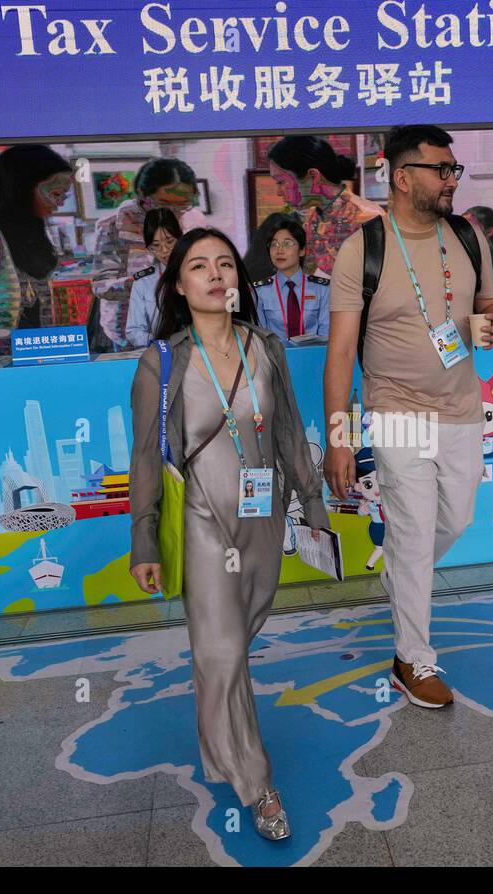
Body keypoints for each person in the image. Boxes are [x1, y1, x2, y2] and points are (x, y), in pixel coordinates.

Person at [127, 227, 330, 841]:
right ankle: (255, 781)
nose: (216, 275)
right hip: (203, 525)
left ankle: (220, 738)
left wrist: (313, 504)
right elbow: (143, 457)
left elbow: (290, 431)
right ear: (179, 285)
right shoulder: (161, 363)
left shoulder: (264, 348)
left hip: (263, 519)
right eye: (199, 266)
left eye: (224, 264)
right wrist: (143, 539)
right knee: (221, 651)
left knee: (237, 639)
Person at [324, 124, 493, 709]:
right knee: (411, 528)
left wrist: (492, 319)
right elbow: (341, 353)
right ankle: (413, 661)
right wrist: (340, 439)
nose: (452, 179)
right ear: (402, 178)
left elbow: (490, 304)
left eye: (455, 169)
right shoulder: (363, 249)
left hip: (461, 409)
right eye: (441, 170)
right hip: (396, 411)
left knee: (453, 520)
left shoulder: (467, 234)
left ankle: (401, 573)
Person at [0, 144, 73, 355]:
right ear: (22, 187)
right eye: (55, 194)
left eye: (63, 196)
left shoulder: (28, 226)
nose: (58, 205)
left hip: (28, 351)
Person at [91, 158, 200, 351]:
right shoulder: (113, 226)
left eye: (183, 205)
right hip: (131, 333)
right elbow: (100, 285)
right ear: (142, 195)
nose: (174, 213)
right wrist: (140, 284)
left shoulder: (194, 222)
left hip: (184, 329)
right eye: (164, 204)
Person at [268, 135, 384, 276]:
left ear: (313, 176)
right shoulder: (312, 218)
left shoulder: (368, 219)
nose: (278, 192)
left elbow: (384, 284)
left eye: (281, 182)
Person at [252, 215, 331, 344]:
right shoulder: (260, 291)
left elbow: (326, 335)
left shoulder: (322, 289)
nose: (279, 250)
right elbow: (260, 338)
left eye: (287, 244)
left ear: (302, 251)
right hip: (276, 360)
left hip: (314, 357)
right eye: (274, 244)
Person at [124, 208, 181, 348]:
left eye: (169, 241)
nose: (164, 250)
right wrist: (159, 343)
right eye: (156, 246)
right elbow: (134, 331)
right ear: (148, 248)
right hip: (164, 352)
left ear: (181, 238)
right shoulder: (143, 282)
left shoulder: (199, 272)